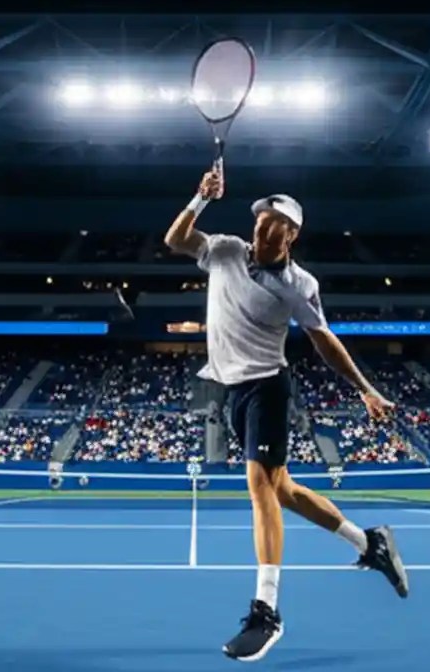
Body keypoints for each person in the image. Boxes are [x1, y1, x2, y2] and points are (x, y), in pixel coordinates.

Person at [164, 163, 408, 662]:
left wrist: (366, 389)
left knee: (259, 486)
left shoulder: (301, 284)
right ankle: (371, 542)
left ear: (291, 232)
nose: (261, 223)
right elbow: (175, 240)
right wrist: (200, 197)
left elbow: (324, 341)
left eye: (273, 219)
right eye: (259, 216)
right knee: (283, 489)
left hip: (268, 387)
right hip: (231, 391)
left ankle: (266, 611)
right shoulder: (227, 249)